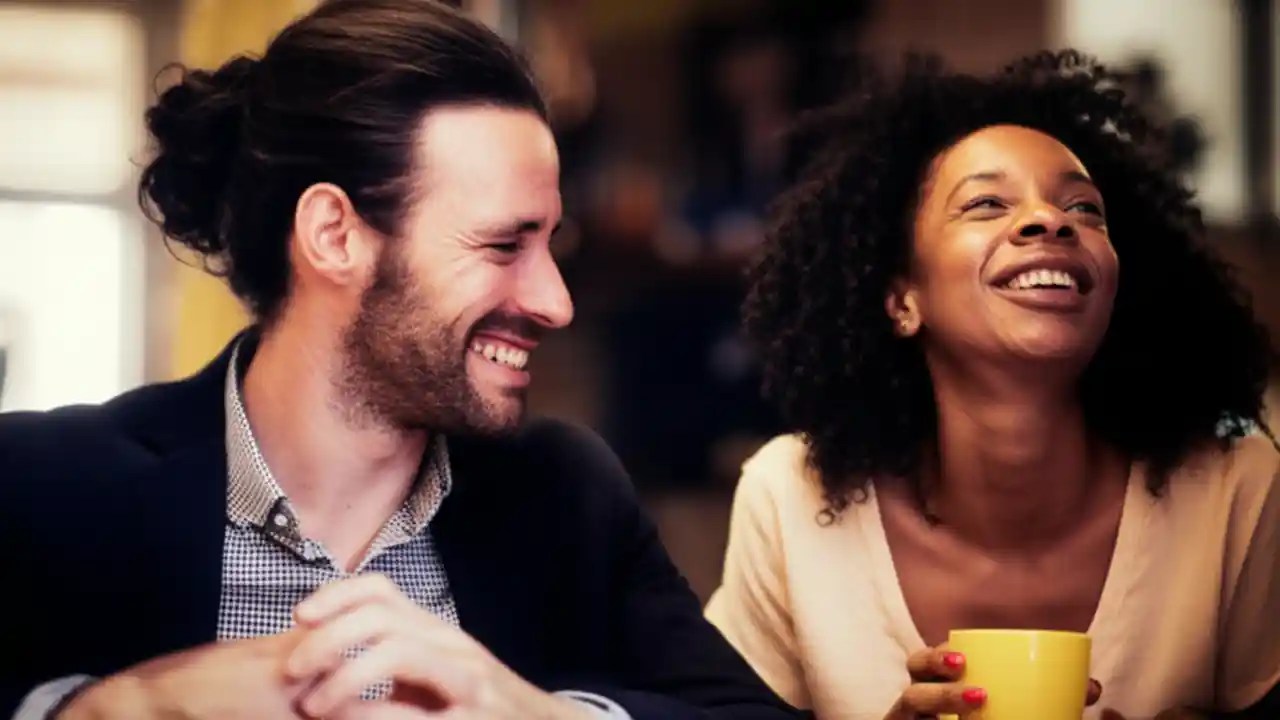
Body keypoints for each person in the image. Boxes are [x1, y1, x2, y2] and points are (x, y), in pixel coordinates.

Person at [0, 2, 805, 719]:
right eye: (502, 244)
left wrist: (528, 713)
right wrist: (115, 707)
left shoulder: (565, 494)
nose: (556, 301)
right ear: (335, 235)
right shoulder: (41, 486)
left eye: (549, 244)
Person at [705, 50, 1280, 720]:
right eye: (985, 203)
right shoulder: (791, 501)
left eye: (1085, 209)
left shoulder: (1235, 495)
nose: (1050, 221)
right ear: (901, 301)